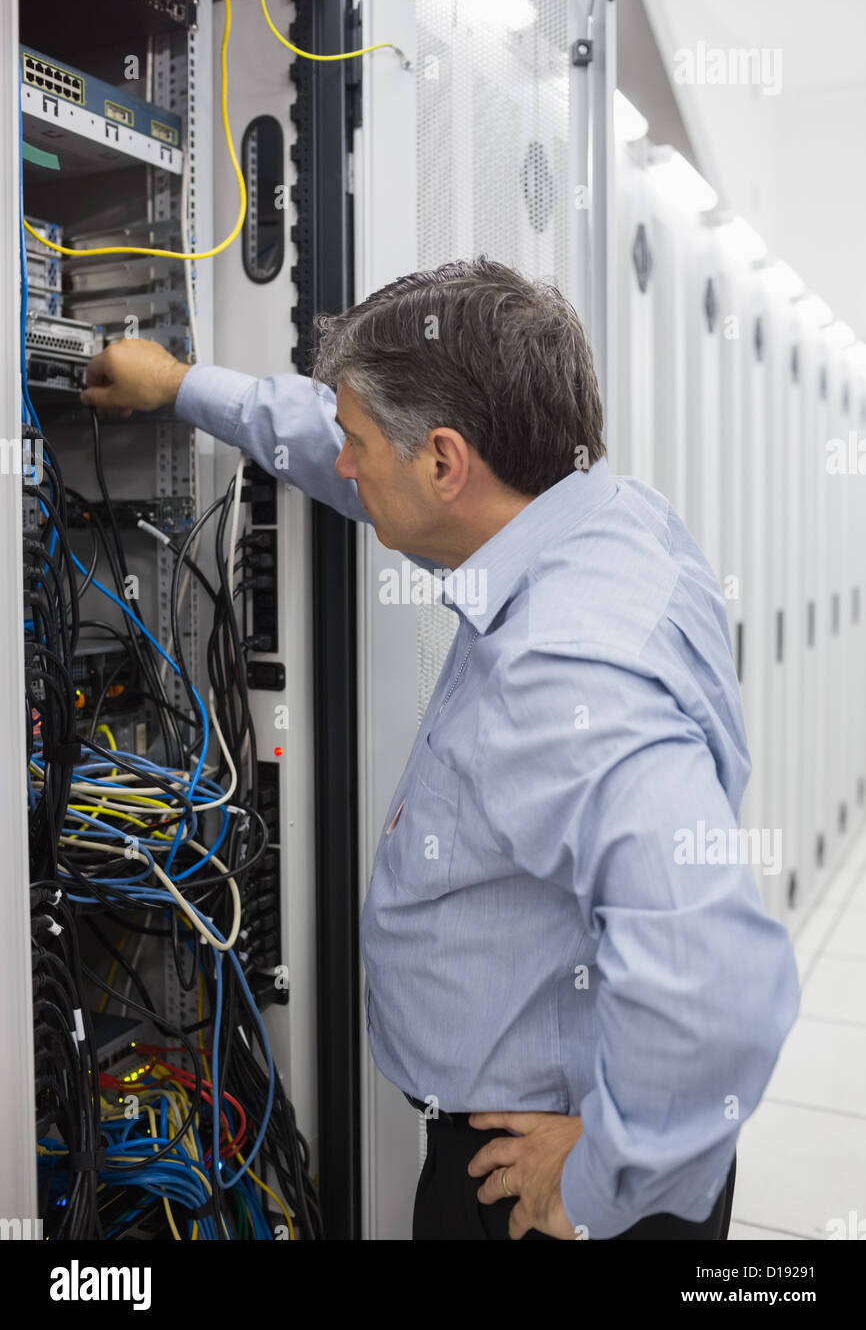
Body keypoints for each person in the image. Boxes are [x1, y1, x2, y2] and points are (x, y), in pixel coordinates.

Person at [80, 257, 800, 1241]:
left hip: (541, 1190)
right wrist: (179, 386)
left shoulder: (565, 669)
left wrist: (600, 1176)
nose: (341, 462)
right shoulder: (589, 515)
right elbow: (331, 443)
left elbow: (715, 984)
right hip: (556, 1131)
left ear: (445, 464)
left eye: (359, 443)